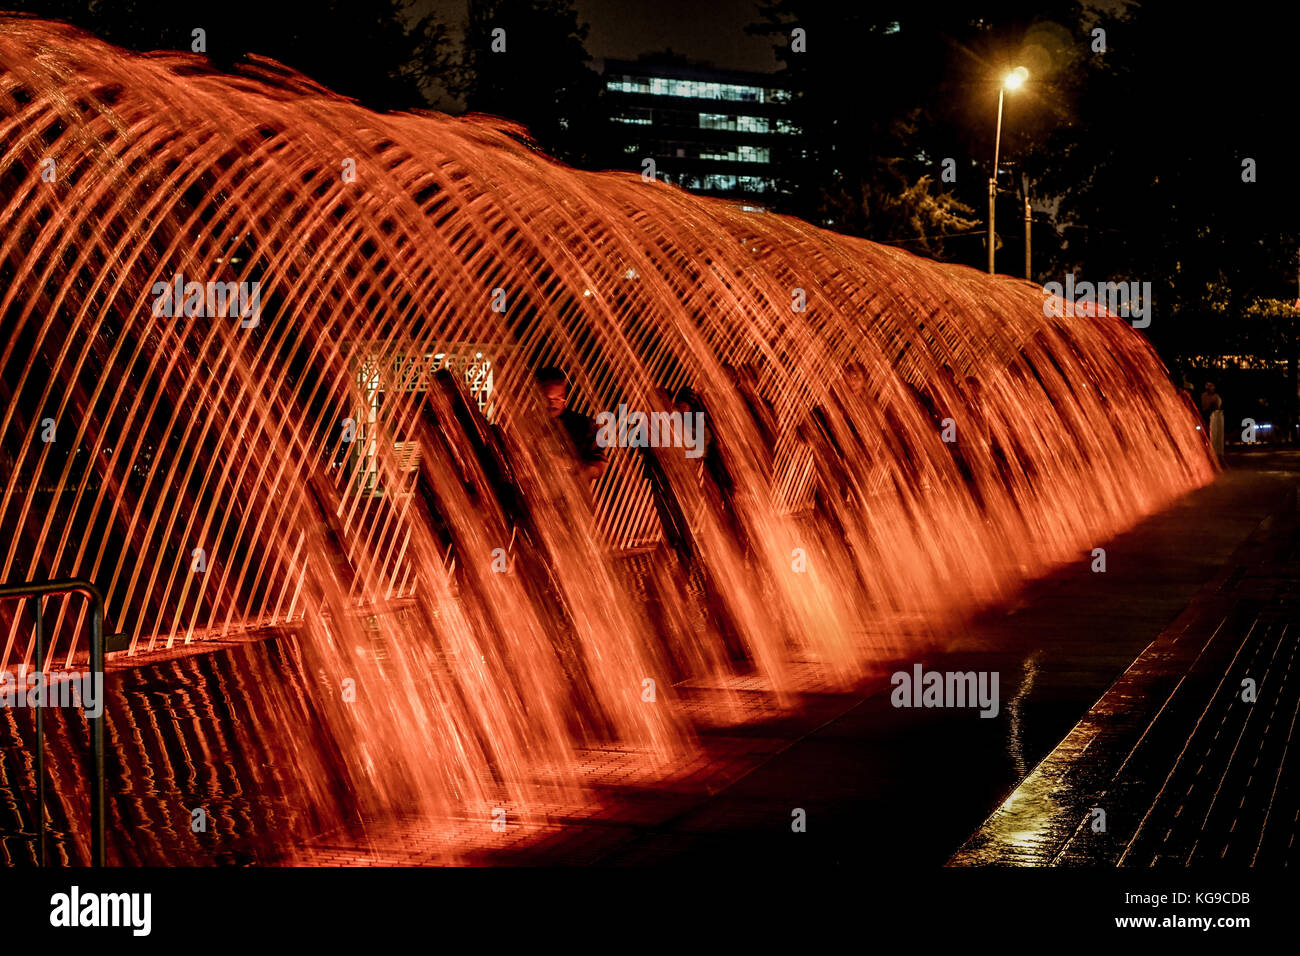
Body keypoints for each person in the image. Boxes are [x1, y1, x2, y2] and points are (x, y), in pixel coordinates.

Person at [535, 366, 608, 487]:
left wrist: (570, 466)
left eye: (559, 398)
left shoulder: (585, 426)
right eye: (547, 398)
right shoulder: (529, 426)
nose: (553, 404)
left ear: (565, 396)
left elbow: (598, 466)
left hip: (570, 499)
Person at [1200, 382, 1225, 457]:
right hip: (1205, 415)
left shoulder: (1216, 397)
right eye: (1207, 386)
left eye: (1210, 386)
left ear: (1214, 387)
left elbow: (1217, 408)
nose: (1208, 387)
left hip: (1212, 417)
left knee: (1214, 434)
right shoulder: (1203, 395)